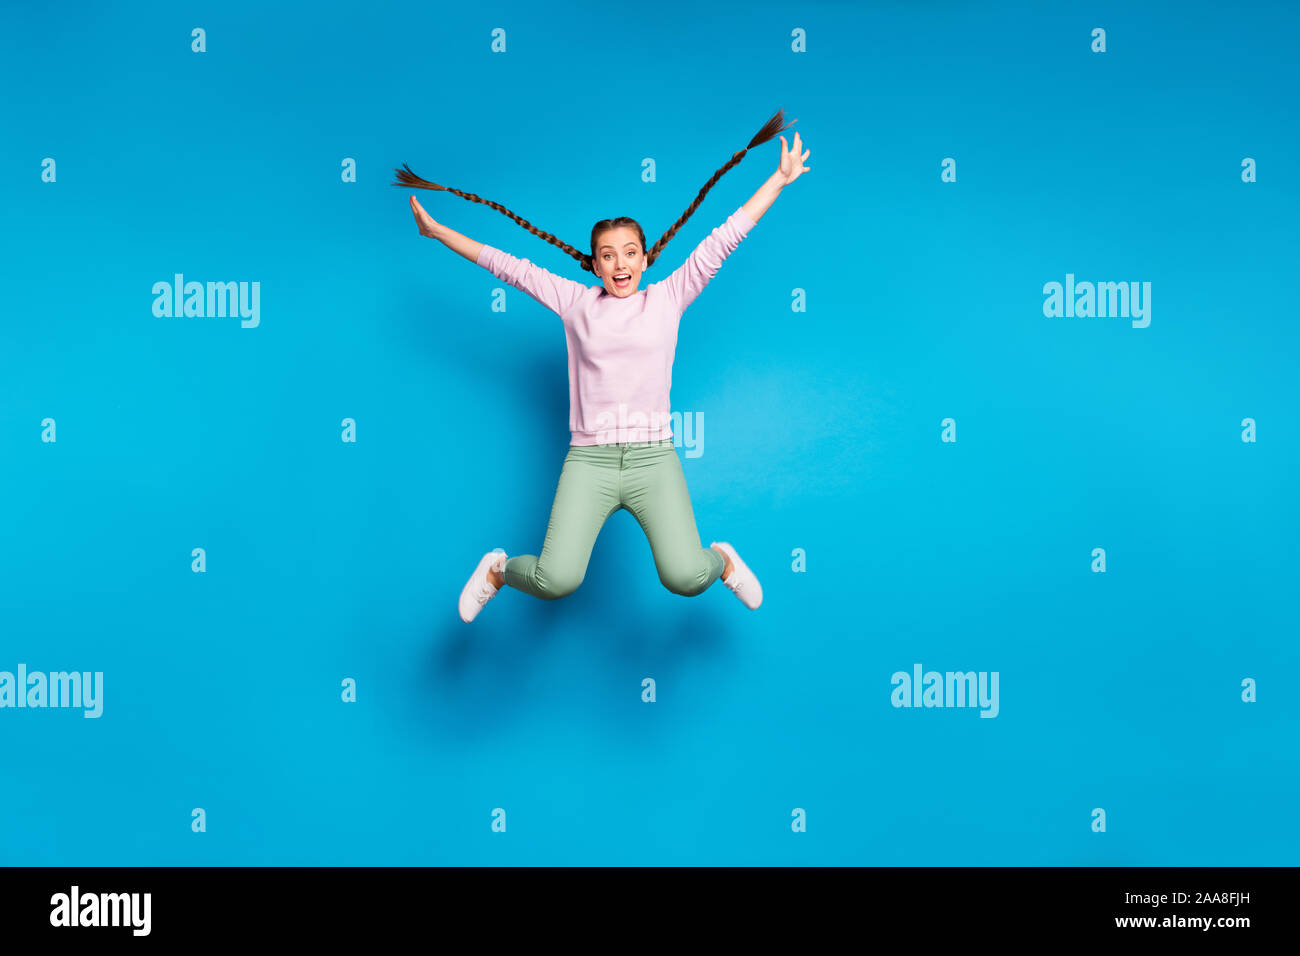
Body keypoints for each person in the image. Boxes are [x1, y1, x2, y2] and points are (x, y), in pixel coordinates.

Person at [395, 111, 812, 623]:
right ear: (594, 265)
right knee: (556, 580)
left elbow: (725, 236)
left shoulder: (668, 298)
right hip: (589, 462)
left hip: (652, 459)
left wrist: (778, 179)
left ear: (644, 259)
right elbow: (507, 265)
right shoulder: (576, 303)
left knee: (684, 576)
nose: (620, 264)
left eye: (630, 253)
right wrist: (438, 233)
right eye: (608, 256)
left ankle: (722, 560)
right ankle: (497, 572)